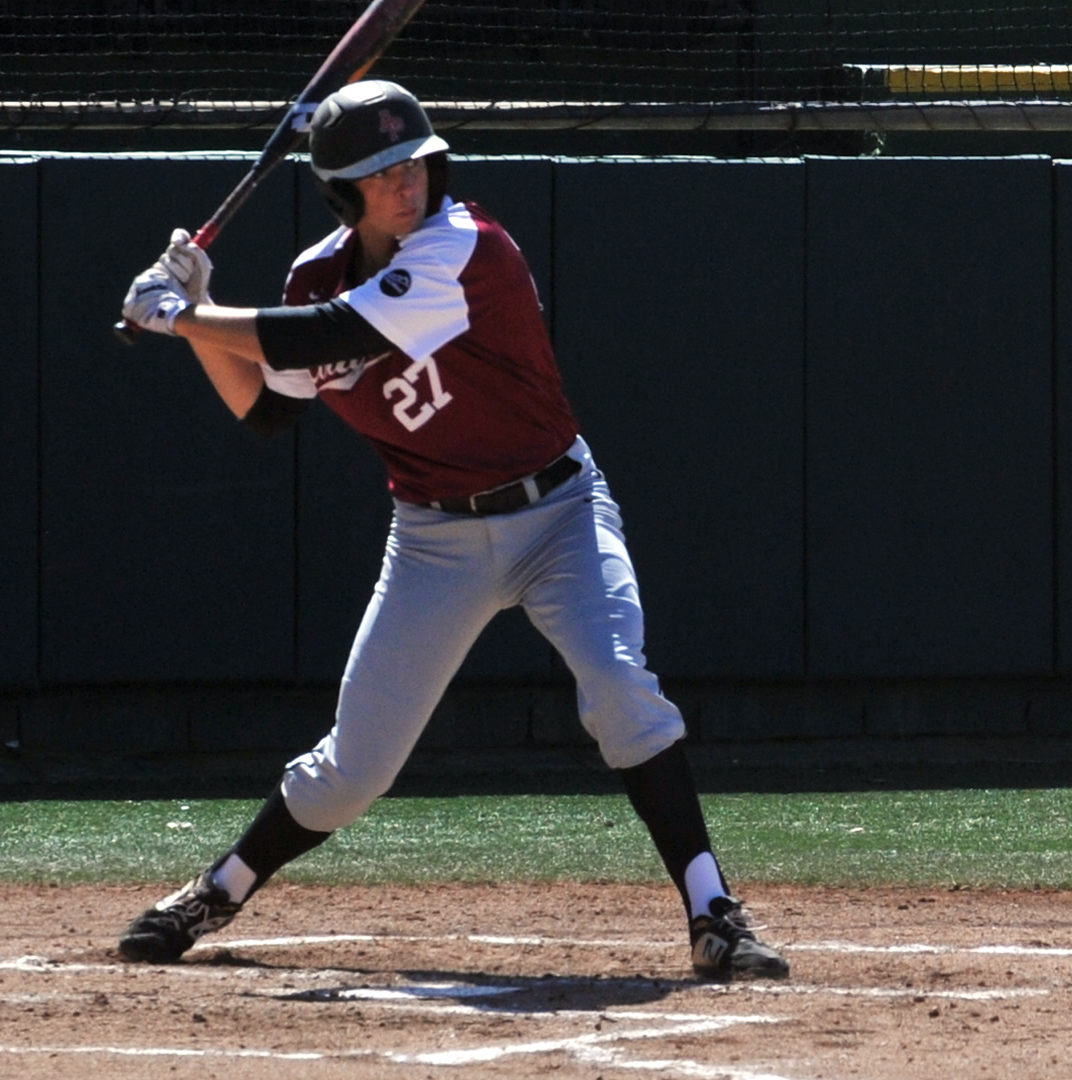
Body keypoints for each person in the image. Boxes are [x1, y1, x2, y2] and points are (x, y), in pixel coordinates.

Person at [115, 80, 789, 981]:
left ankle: (714, 913)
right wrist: (197, 318)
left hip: (558, 513)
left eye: (415, 163)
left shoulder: (467, 246)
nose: (406, 183)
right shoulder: (313, 275)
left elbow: (325, 335)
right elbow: (269, 409)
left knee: (621, 689)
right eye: (381, 172)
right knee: (354, 768)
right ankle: (218, 889)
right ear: (343, 192)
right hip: (433, 538)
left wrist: (177, 315)